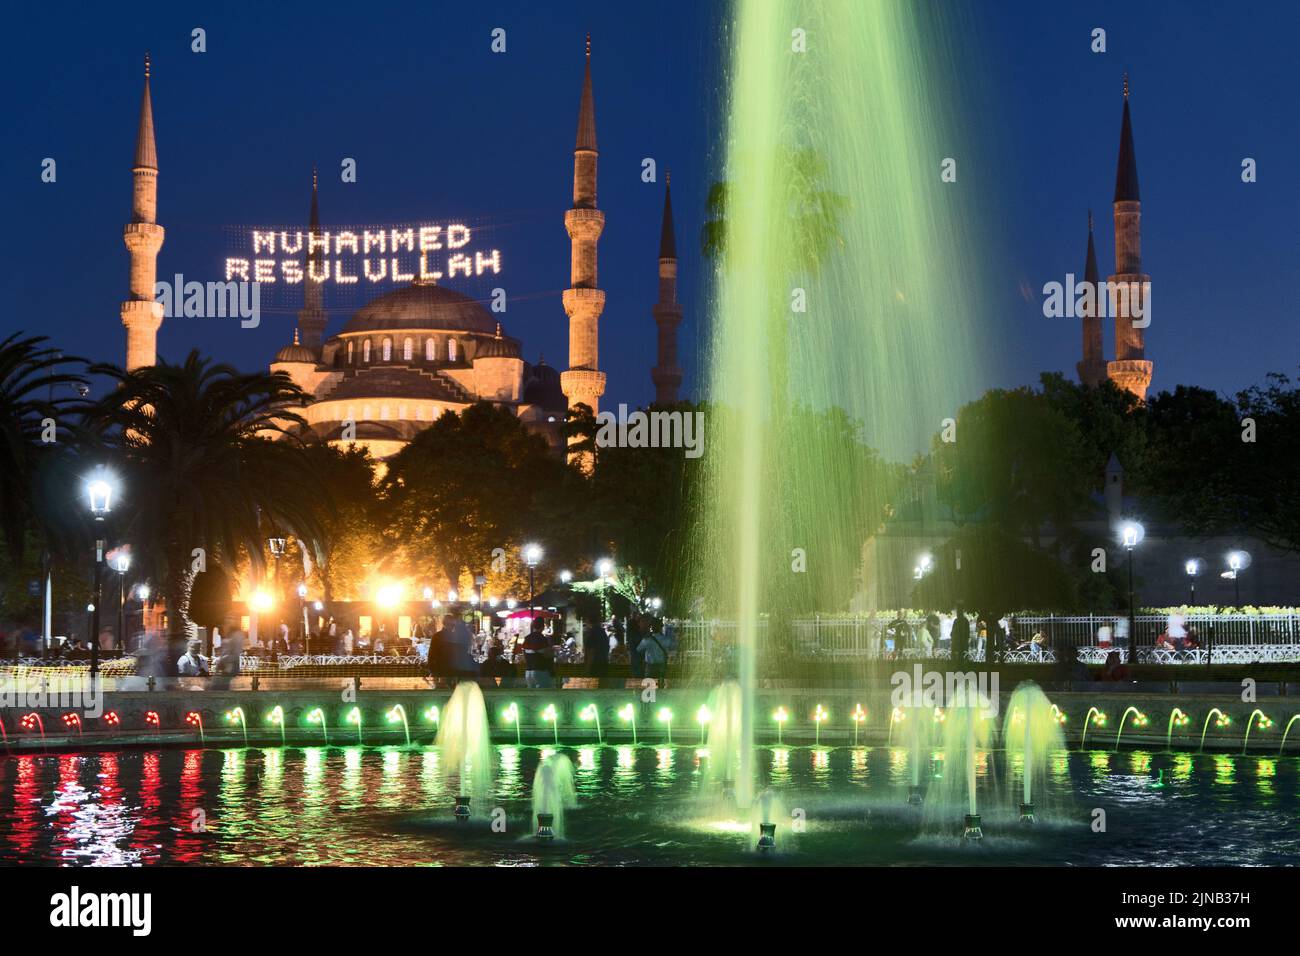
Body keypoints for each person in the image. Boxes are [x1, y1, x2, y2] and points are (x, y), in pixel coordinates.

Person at [441, 613, 478, 680]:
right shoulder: (453, 637)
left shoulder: (452, 637)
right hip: (447, 673)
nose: (452, 627)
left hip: (445, 673)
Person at [522, 617, 553, 688]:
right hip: (540, 670)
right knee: (541, 694)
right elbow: (548, 655)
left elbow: (524, 657)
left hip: (528, 672)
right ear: (543, 627)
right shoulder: (542, 639)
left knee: (531, 694)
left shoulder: (527, 638)